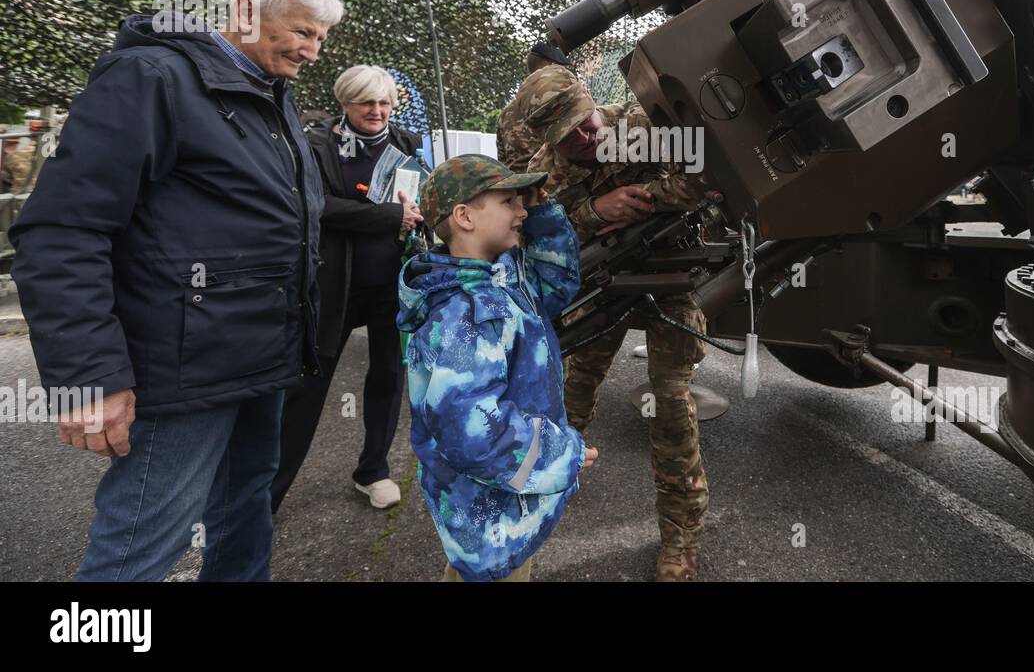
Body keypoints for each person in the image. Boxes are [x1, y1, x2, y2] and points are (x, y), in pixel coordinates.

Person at [11, 0, 342, 581]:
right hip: (182, 375)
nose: (312, 51)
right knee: (142, 544)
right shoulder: (151, 78)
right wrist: (92, 376)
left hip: (258, 362)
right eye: (302, 32)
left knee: (244, 509)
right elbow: (62, 229)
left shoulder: (272, 98)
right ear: (245, 11)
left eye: (320, 38)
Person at [522, 66, 712, 580]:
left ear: (590, 95)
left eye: (585, 124)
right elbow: (532, 223)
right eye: (569, 137)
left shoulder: (644, 126)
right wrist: (591, 209)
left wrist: (647, 198)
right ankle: (548, 490)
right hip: (602, 279)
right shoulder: (547, 168)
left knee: (670, 402)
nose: (585, 139)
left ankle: (681, 539)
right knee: (572, 387)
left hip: (670, 273)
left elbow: (706, 178)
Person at [398, 154, 595, 581]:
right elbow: (478, 435)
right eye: (508, 202)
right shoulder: (463, 314)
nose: (521, 209)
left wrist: (542, 215)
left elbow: (556, 286)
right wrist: (566, 455)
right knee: (495, 573)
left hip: (505, 496)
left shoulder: (500, 275)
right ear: (464, 217)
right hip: (489, 510)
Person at [271, 65, 424, 513]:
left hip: (391, 286)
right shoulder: (317, 144)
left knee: (388, 378)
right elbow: (313, 205)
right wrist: (387, 217)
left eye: (384, 103)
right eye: (365, 103)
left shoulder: (405, 145)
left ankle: (372, 470)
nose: (376, 111)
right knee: (308, 387)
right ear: (346, 104)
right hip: (333, 286)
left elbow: (418, 202)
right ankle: (267, 495)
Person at [495, 41, 577, 172]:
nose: (564, 71)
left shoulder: (506, 114)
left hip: (519, 188)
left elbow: (503, 162)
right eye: (561, 67)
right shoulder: (557, 102)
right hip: (555, 186)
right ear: (552, 66)